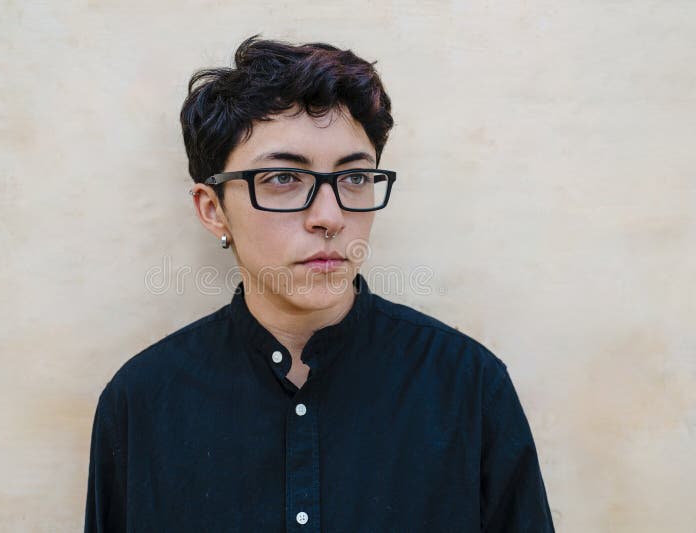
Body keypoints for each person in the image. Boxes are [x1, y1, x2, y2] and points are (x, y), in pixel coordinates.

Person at [84, 35, 555, 532]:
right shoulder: (140, 403)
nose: (329, 217)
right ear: (213, 209)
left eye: (355, 178)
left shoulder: (468, 388)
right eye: (283, 178)